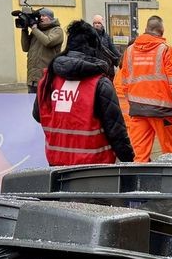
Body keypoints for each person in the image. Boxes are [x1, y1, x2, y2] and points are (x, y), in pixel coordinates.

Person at [34, 20, 133, 165]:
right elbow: (116, 132)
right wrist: (129, 161)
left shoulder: (49, 78)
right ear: (94, 47)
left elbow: (38, 115)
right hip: (93, 167)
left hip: (56, 163)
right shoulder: (100, 83)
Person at [115, 16, 172, 161]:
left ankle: (138, 182)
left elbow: (124, 83)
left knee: (139, 156)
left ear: (146, 30)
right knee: (171, 155)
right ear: (161, 32)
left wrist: (132, 102)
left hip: (138, 110)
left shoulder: (130, 51)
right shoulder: (166, 51)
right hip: (161, 111)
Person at [20, 7, 63, 95]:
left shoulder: (57, 30)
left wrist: (35, 29)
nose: (41, 18)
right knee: (31, 106)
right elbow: (25, 48)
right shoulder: (36, 31)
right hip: (32, 79)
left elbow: (48, 42)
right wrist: (24, 30)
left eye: (44, 16)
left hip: (46, 79)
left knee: (45, 106)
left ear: (50, 18)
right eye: (40, 16)